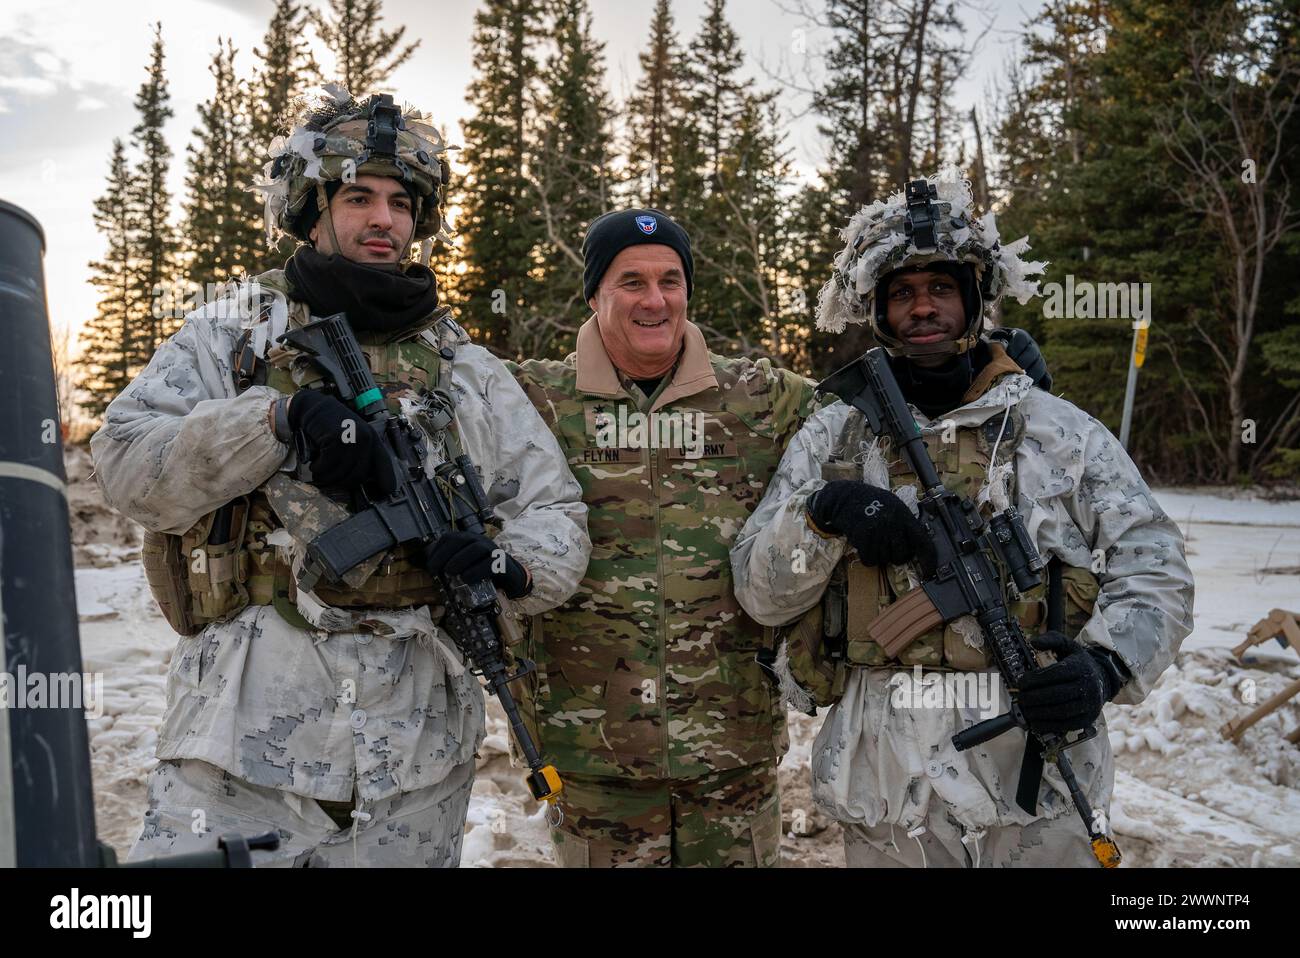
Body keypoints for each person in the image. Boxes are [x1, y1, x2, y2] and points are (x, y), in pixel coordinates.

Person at [91, 88, 589, 867]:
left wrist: (506, 563)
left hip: (414, 754)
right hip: (243, 739)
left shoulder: (467, 369)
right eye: (358, 196)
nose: (383, 220)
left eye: (399, 203)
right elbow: (123, 461)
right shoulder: (233, 333)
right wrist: (273, 422)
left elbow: (553, 512)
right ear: (312, 209)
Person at [509, 206, 1052, 867]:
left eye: (671, 280)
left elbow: (891, 422)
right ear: (594, 293)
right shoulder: (531, 400)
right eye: (631, 281)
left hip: (730, 749)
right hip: (587, 751)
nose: (655, 300)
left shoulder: (762, 398)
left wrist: (988, 376)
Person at [729, 167, 1194, 868]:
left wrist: (1103, 667)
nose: (924, 308)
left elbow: (1154, 565)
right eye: (904, 294)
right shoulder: (835, 438)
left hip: (1032, 770)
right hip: (886, 781)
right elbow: (758, 590)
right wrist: (822, 516)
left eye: (942, 289)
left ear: (976, 299)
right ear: (878, 311)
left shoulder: (1058, 432)